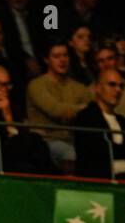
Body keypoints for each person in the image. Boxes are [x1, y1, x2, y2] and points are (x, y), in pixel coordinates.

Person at [25, 39, 91, 172]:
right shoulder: (37, 85)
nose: (62, 60)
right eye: (56, 56)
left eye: (65, 55)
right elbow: (56, 110)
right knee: (70, 154)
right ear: (46, 59)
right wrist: (81, 109)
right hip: (47, 141)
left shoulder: (79, 87)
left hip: (75, 140)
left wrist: (79, 110)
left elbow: (91, 112)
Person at [73, 68, 125, 179]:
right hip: (98, 184)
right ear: (98, 88)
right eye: (112, 85)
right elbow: (97, 154)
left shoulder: (124, 122)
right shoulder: (86, 118)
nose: (118, 90)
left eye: (121, 86)